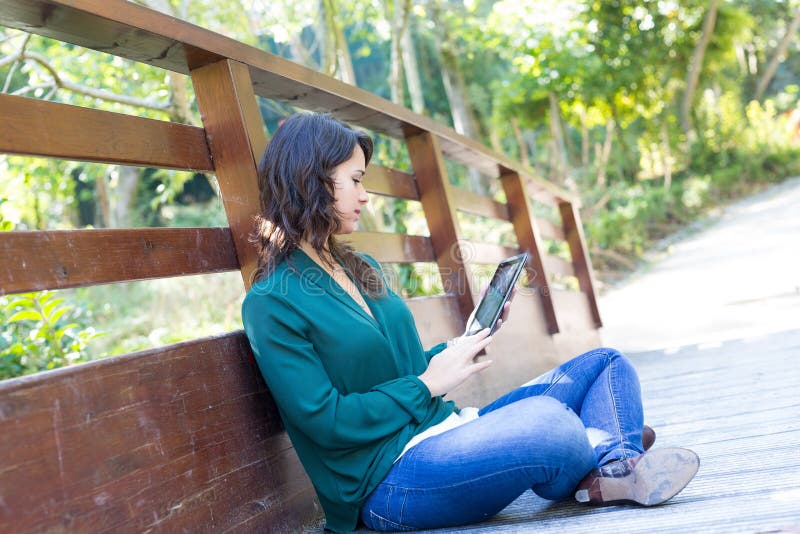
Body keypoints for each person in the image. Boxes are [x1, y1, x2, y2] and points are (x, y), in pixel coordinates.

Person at [241, 112, 700, 533]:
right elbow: (327, 421)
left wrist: (462, 346)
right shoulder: (271, 303)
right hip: (387, 482)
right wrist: (427, 384)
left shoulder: (361, 268)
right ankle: (606, 447)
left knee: (605, 364)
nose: (364, 195)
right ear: (312, 179)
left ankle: (611, 470)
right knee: (550, 425)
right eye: (355, 180)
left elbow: (402, 371)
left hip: (448, 427)